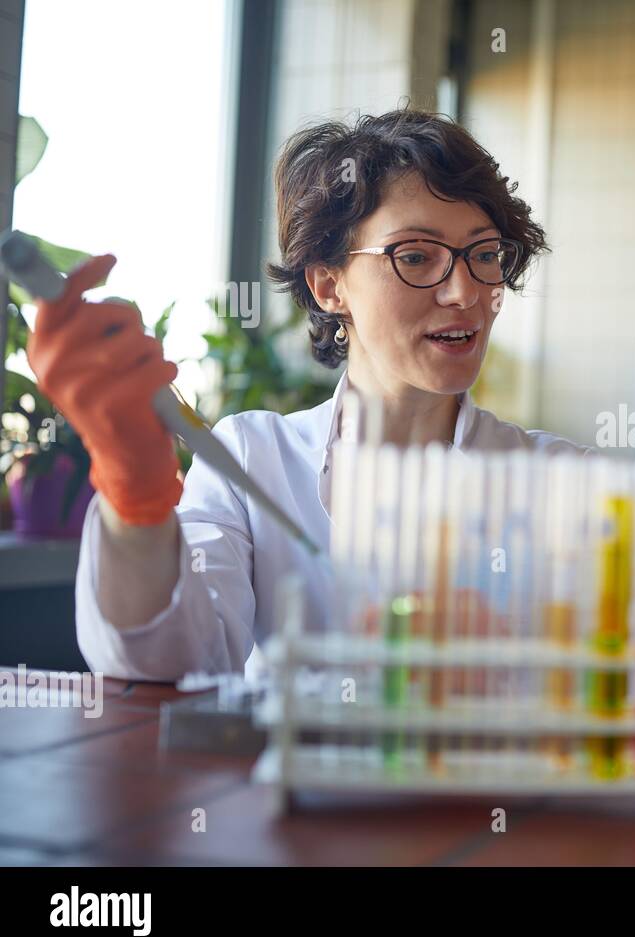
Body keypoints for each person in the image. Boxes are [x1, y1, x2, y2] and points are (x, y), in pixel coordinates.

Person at [28, 109, 587, 680]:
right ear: (329, 286)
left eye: (485, 254)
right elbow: (171, 660)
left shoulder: (559, 479)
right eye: (416, 255)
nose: (466, 291)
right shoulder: (253, 458)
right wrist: (135, 494)